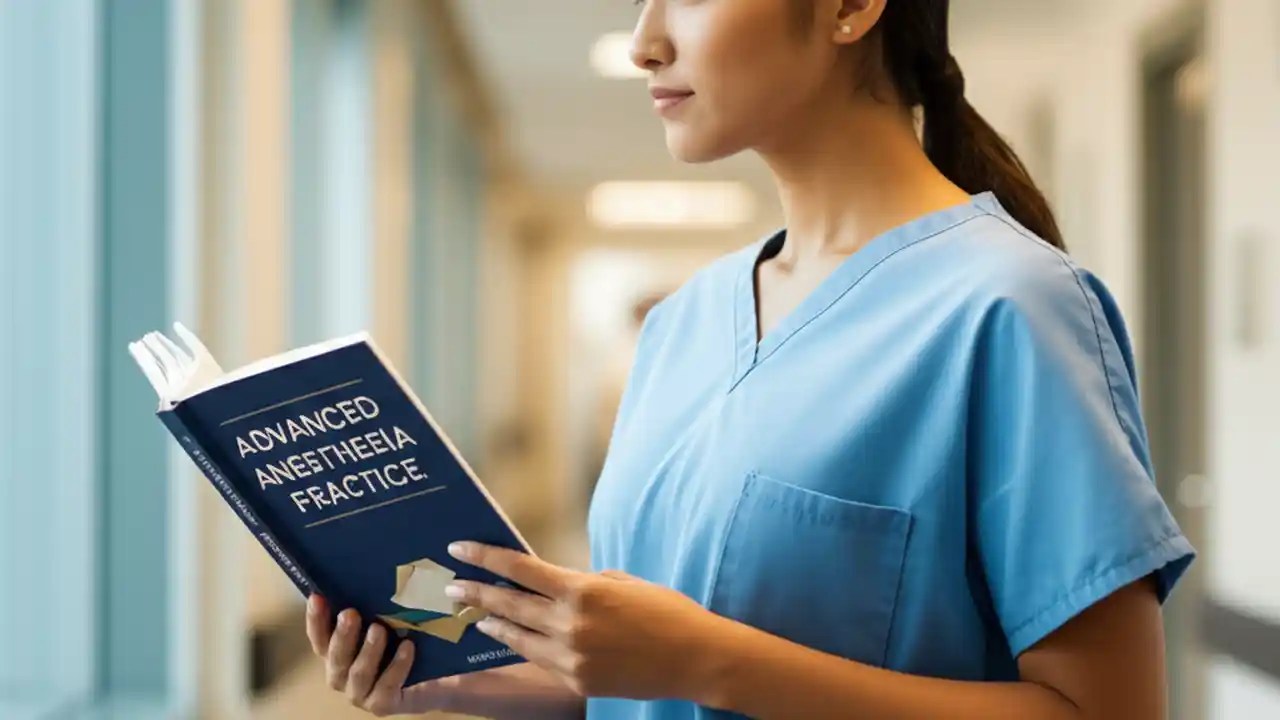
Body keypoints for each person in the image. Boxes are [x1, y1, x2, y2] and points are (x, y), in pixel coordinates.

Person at [306, 1, 1195, 718]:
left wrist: (708, 660)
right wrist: (456, 681)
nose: (647, 43)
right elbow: (644, 690)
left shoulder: (1010, 307)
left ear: (849, 8)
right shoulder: (682, 326)